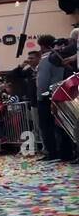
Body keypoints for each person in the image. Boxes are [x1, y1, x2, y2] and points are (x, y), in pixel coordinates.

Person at [36, 34, 70, 162]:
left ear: (43, 46)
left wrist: (40, 96)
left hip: (47, 97)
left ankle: (52, 152)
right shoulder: (60, 57)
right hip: (62, 93)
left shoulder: (46, 59)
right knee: (62, 125)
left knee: (47, 127)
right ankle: (65, 153)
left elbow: (42, 81)